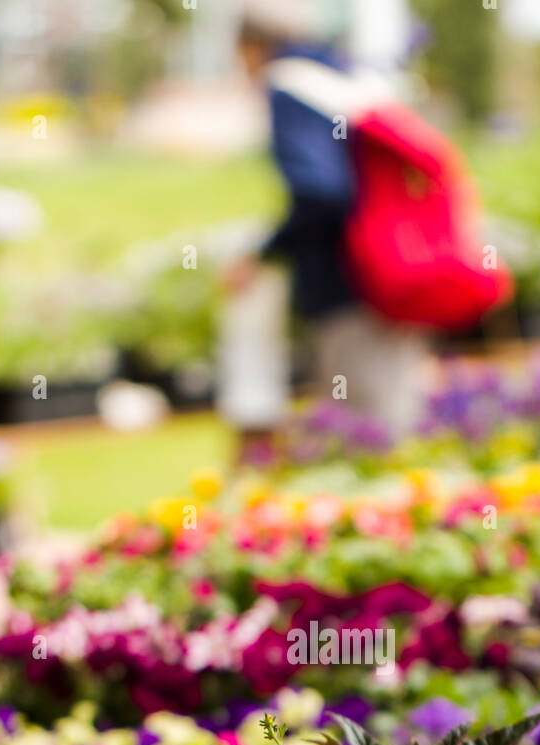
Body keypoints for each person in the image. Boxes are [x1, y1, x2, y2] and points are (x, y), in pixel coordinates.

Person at [219, 0, 430, 451]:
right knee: (395, 421)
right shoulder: (343, 78)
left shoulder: (290, 90)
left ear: (251, 48)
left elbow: (322, 191)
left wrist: (263, 252)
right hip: (398, 273)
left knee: (366, 436)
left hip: (349, 284)